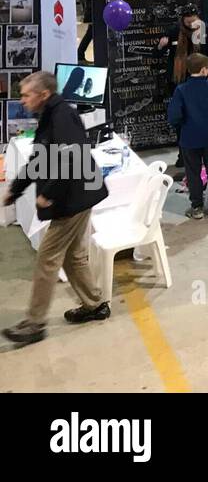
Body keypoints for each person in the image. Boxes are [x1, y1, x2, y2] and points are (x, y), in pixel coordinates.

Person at [1, 71, 110, 346]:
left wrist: (48, 195)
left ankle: (35, 323)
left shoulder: (61, 115)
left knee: (47, 259)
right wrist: (16, 190)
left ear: (44, 94)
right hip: (75, 196)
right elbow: (42, 158)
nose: (22, 100)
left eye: (27, 95)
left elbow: (71, 158)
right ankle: (95, 304)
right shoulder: (51, 114)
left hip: (71, 199)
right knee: (73, 257)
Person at [167, 53, 208, 220]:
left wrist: (182, 125)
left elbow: (174, 116)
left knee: (193, 172)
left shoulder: (181, 90)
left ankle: (197, 207)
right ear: (204, 69)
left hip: (189, 137)